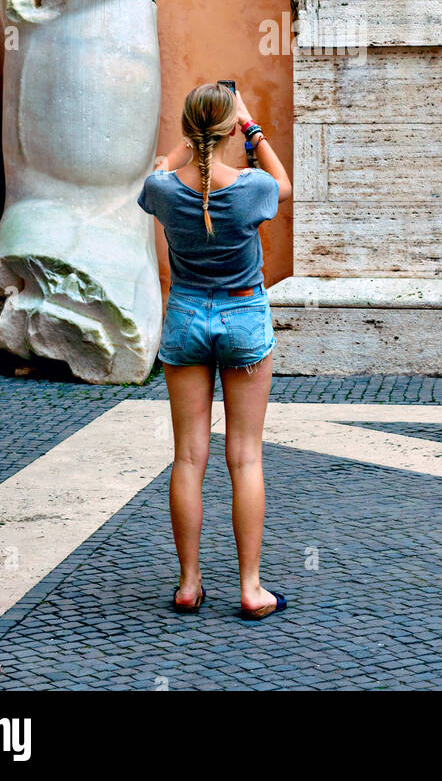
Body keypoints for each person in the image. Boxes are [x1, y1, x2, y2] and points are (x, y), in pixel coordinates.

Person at [137, 82, 292, 621]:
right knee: (245, 456)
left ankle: (188, 582)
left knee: (188, 458)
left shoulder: (162, 192)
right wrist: (251, 127)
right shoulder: (251, 187)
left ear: (186, 131)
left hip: (185, 318)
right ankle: (250, 589)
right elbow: (285, 185)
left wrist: (190, 142)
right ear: (229, 130)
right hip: (243, 314)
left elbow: (158, 174)